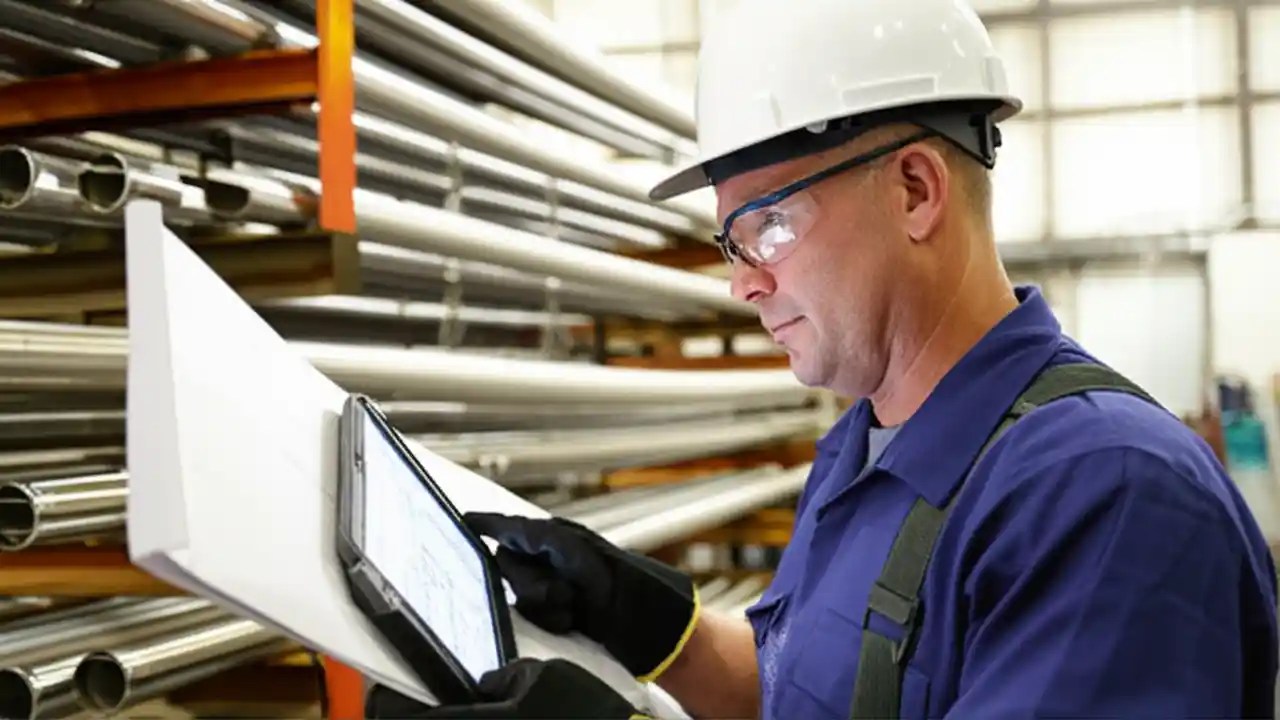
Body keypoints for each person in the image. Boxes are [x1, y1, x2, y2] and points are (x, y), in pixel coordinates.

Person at [368, 0, 1279, 717]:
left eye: (769, 224)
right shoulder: (862, 451)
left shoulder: (1103, 496)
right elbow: (809, 694)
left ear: (916, 189)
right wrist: (651, 622)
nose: (744, 284)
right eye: (733, 241)